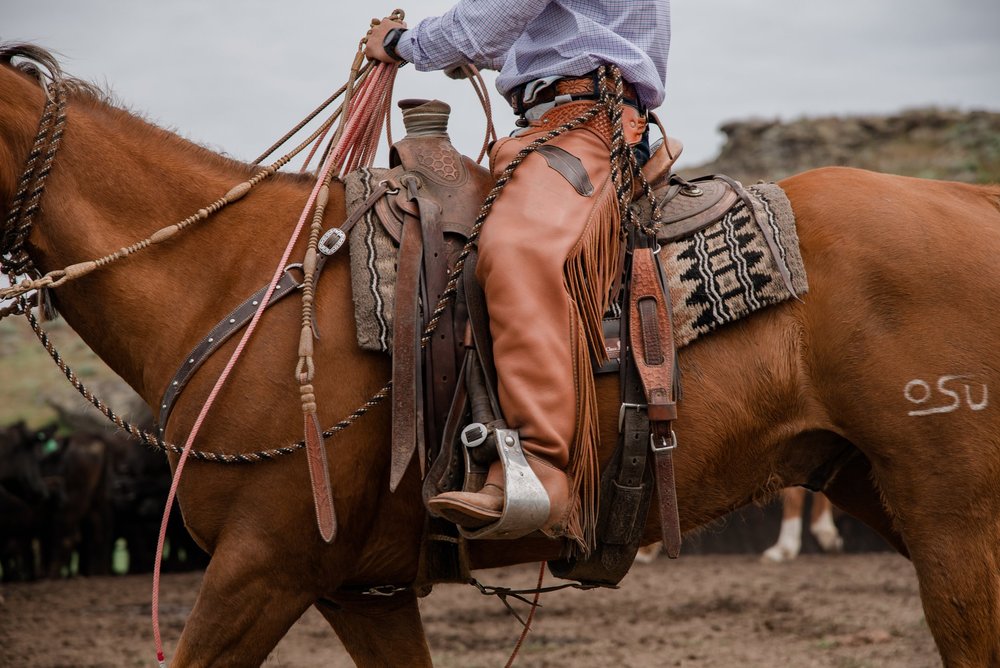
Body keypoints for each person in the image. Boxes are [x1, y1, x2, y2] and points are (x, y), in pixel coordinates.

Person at [365, 1, 670, 553]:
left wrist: (401, 44)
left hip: (587, 125)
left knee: (512, 248)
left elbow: (487, 20)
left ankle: (542, 467)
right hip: (545, 123)